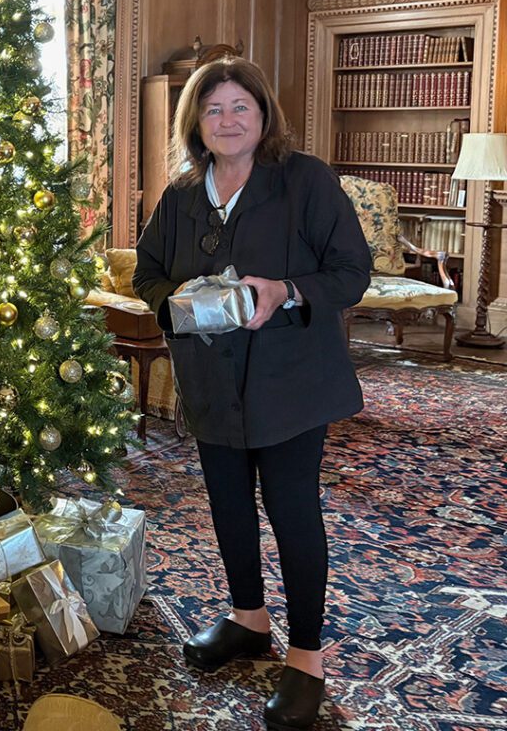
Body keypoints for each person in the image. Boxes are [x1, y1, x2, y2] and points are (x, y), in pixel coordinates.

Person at [133, 56, 371, 731]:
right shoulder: (182, 194)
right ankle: (248, 619)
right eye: (214, 109)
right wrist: (179, 301)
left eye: (241, 106)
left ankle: (306, 659)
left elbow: (353, 272)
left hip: (292, 383)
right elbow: (148, 274)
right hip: (210, 384)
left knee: (292, 512)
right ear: (196, 123)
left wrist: (286, 290)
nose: (228, 120)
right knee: (229, 507)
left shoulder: (305, 180)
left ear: (264, 114)